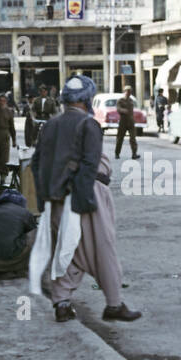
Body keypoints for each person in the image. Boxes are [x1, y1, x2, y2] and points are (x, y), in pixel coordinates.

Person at [29, 73, 140, 323]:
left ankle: (62, 303)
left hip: (56, 198)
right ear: (87, 99)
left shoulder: (50, 126)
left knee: (67, 251)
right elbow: (90, 164)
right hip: (87, 195)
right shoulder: (89, 125)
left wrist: (45, 197)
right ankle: (114, 304)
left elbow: (36, 164)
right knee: (103, 248)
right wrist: (81, 200)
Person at [115, 85, 140, 160]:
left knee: (133, 138)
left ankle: (134, 154)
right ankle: (117, 153)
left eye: (129, 91)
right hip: (123, 122)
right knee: (120, 138)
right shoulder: (120, 100)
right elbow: (118, 109)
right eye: (127, 91)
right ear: (124, 92)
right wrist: (123, 110)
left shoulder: (131, 100)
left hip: (131, 122)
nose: (128, 93)